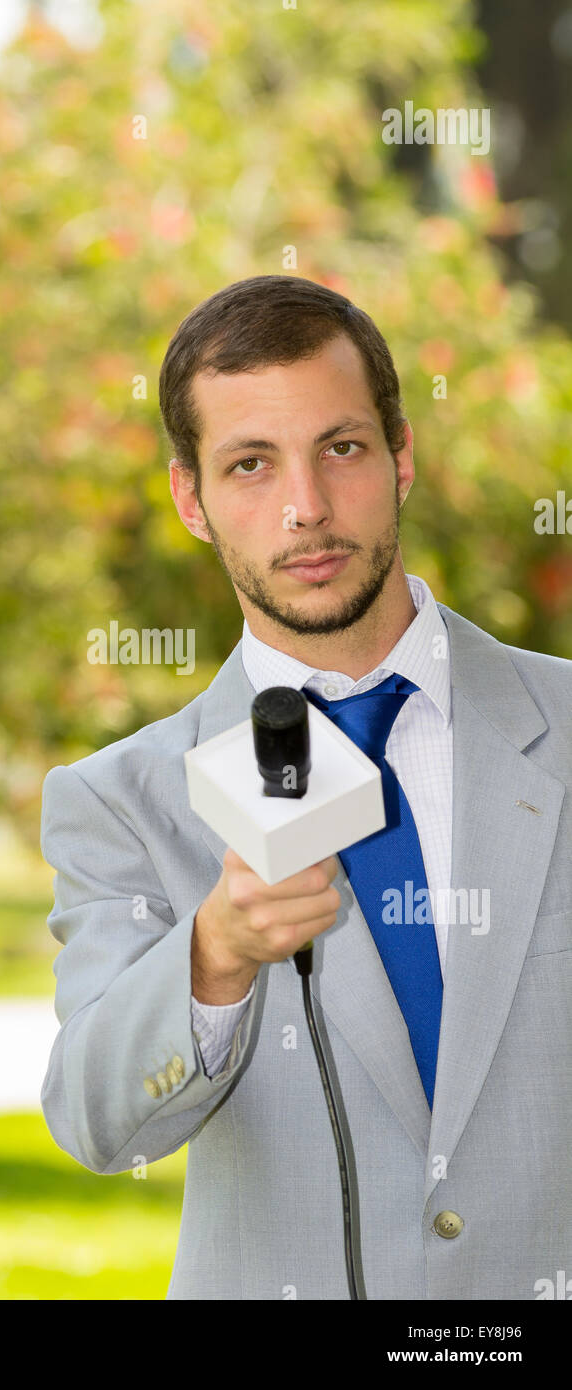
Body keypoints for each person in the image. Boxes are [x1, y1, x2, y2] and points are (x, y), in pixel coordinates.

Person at [39, 275, 572, 1300]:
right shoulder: (122, 799)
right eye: (250, 464)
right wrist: (213, 955)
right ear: (190, 499)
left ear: (401, 455)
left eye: (341, 448)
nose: (307, 508)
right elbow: (98, 1118)